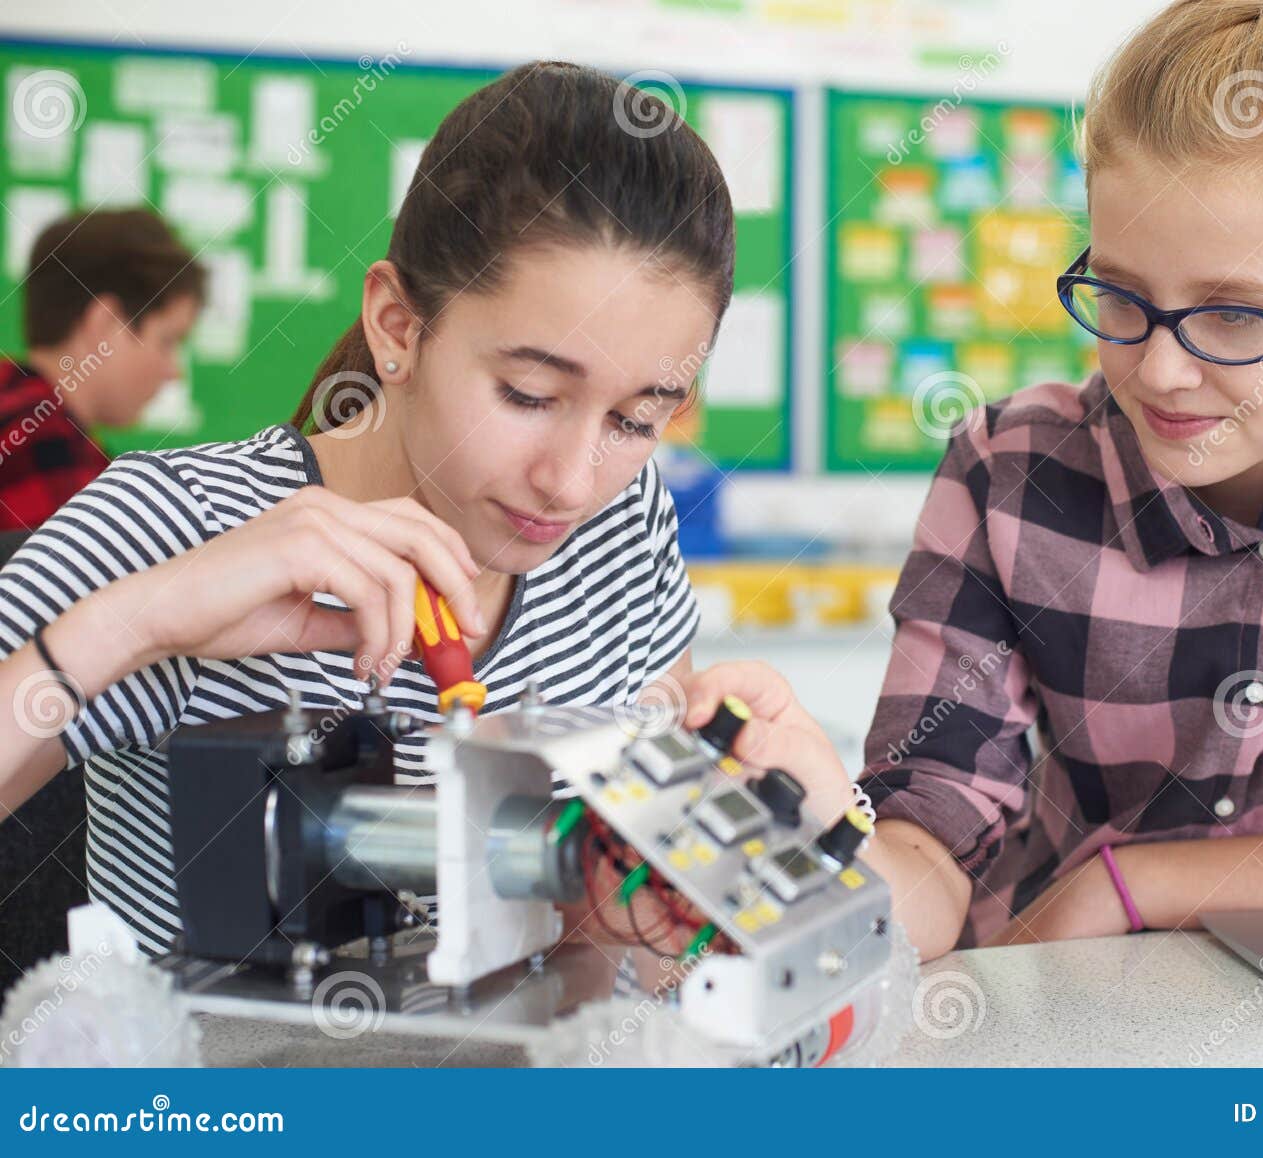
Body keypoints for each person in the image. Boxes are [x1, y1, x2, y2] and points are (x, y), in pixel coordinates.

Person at [684, 0, 1263, 961]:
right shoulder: (1006, 469)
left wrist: (1133, 883)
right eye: (1119, 296)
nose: (1159, 371)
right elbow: (930, 849)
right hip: (1080, 1005)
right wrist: (829, 826)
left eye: (1236, 316)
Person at [0, 61, 732, 958]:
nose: (573, 484)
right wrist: (139, 620)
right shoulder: (179, 522)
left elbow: (644, 911)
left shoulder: (624, 522)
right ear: (396, 326)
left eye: (637, 418)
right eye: (529, 394)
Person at [0, 209, 204, 530]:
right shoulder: (47, 447)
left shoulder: (19, 410)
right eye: (167, 341)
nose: (173, 371)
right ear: (106, 322)